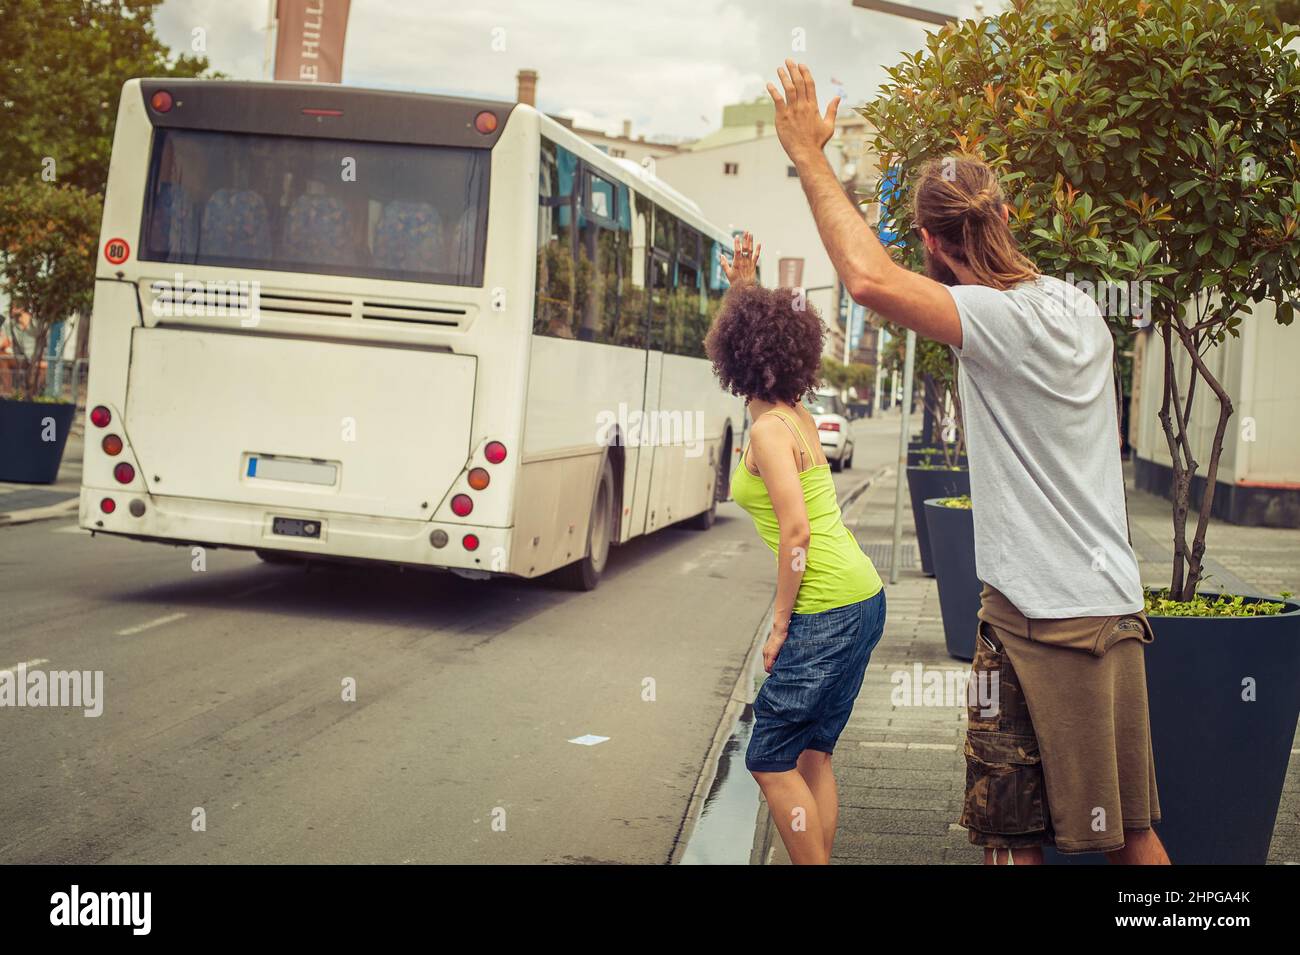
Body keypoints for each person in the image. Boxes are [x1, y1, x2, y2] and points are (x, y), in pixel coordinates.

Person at [766, 59, 1169, 865]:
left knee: (1120, 839)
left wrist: (810, 155)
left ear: (928, 242)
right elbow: (898, 284)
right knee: (1011, 832)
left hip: (1066, 622)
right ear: (1009, 215)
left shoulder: (1002, 320)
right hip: (1032, 614)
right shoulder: (1077, 305)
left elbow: (867, 280)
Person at [705, 232, 886, 865]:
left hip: (827, 606)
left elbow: (797, 534)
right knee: (813, 755)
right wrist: (743, 287)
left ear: (734, 358)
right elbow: (759, 334)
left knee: (770, 756)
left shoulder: (767, 431)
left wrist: (781, 623)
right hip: (862, 596)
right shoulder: (794, 411)